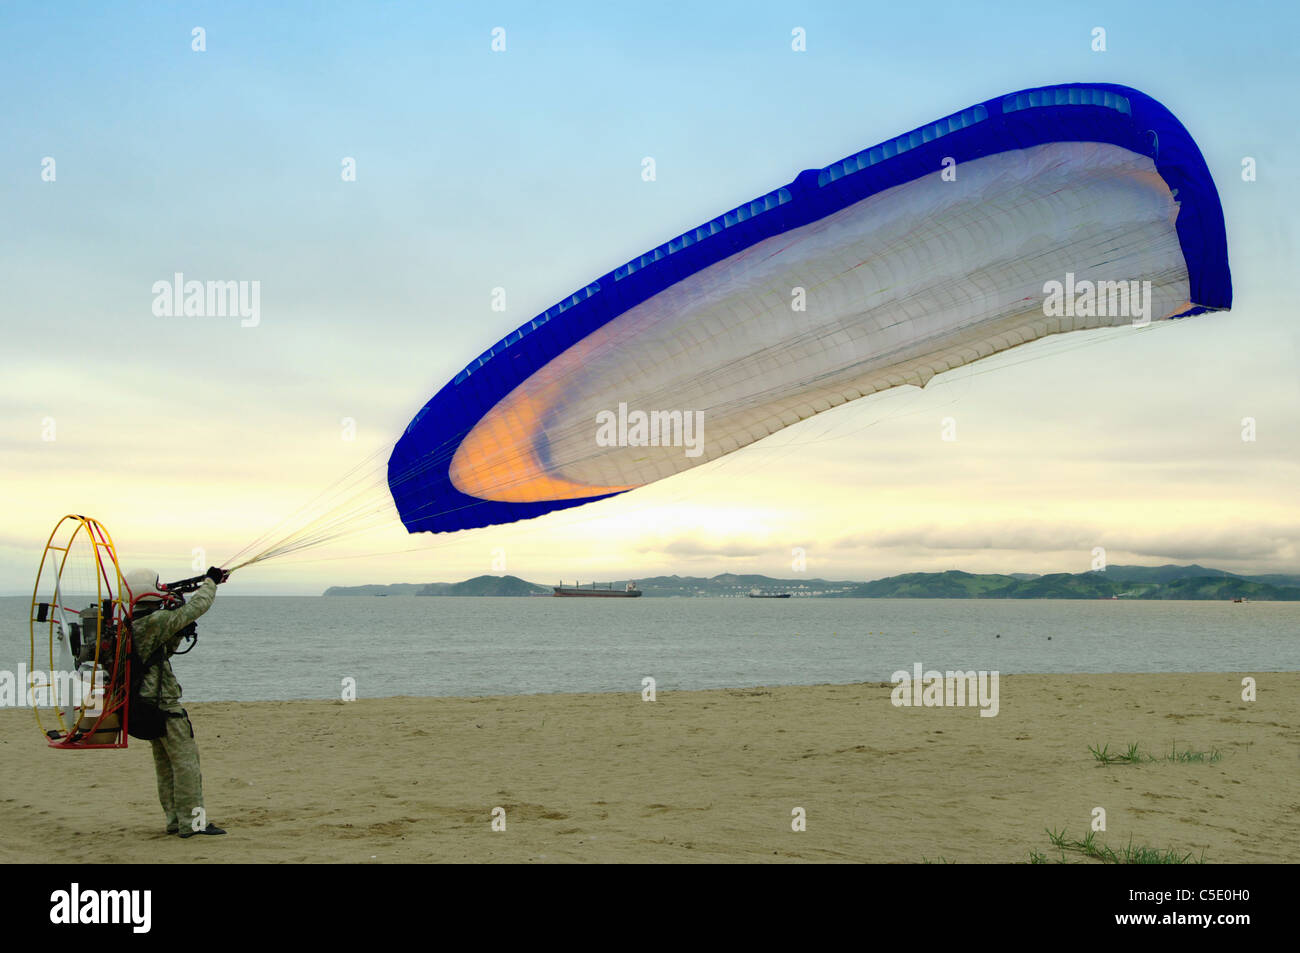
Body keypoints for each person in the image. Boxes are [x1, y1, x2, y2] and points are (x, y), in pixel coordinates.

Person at [122, 565, 229, 838]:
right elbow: (197, 607)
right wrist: (211, 582)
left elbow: (161, 651)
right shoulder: (154, 621)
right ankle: (193, 823)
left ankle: (174, 820)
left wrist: (179, 631)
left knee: (166, 766)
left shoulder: (135, 622)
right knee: (186, 765)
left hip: (143, 704)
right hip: (164, 705)